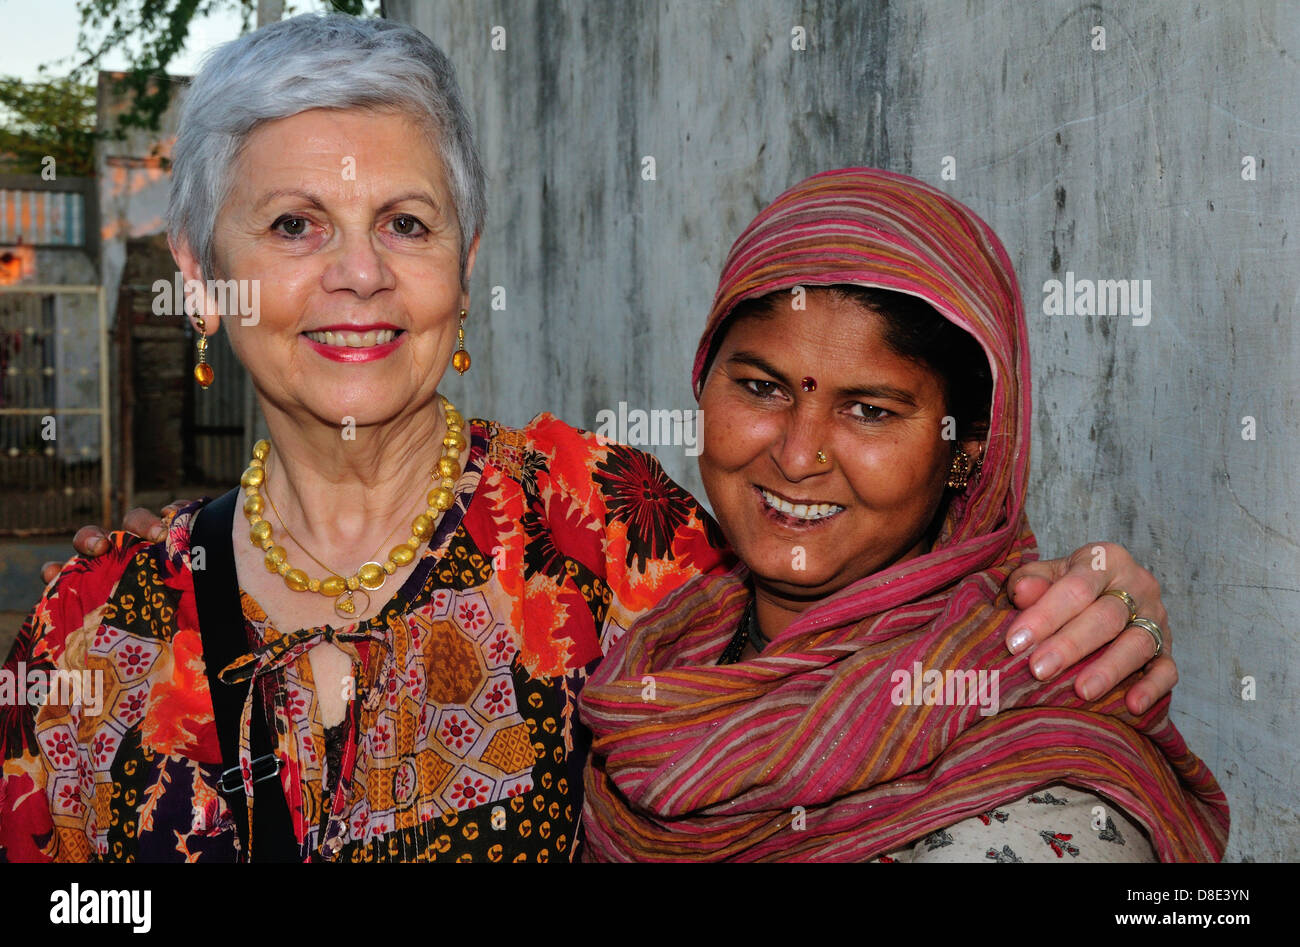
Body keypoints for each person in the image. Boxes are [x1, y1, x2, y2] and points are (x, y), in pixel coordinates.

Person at [4, 14, 1179, 864]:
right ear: (203, 280)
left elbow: (864, 657)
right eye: (295, 223)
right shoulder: (92, 622)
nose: (357, 273)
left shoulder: (615, 535)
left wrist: (1073, 605)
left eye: (404, 223)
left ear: (463, 270)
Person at [579, 168, 1228, 862]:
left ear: (967, 452)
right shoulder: (655, 638)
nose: (798, 456)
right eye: (761, 387)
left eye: (871, 410)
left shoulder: (1033, 740)